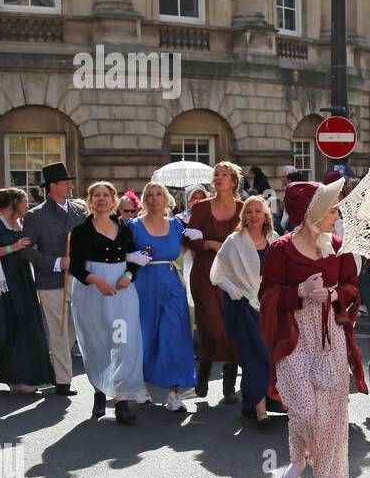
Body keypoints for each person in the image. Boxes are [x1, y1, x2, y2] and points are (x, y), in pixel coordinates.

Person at [260, 179, 367, 478]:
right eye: (331, 209)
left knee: (332, 410)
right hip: (294, 336)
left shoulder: (338, 246)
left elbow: (352, 289)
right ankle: (298, 459)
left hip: (329, 337)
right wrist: (299, 292)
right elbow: (266, 296)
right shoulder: (281, 249)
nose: (336, 215)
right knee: (304, 408)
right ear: (312, 213)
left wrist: (335, 293)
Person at [70, 182, 145, 425]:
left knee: (123, 341)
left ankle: (122, 400)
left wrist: (128, 275)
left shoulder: (123, 227)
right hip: (91, 292)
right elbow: (75, 267)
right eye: (96, 195)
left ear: (113, 200)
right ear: (90, 200)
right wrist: (96, 280)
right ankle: (99, 390)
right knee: (97, 342)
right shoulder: (81, 230)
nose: (101, 199)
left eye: (106, 195)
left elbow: (135, 258)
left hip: (122, 292)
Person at [126, 182, 198, 412]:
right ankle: (139, 385)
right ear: (144, 199)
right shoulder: (133, 225)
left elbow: (190, 247)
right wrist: (129, 255)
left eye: (159, 194)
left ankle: (173, 393)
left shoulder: (176, 224)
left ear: (166, 198)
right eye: (150, 195)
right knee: (145, 337)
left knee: (174, 336)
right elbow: (116, 250)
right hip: (143, 286)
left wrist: (197, 236)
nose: (155, 198)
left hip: (172, 285)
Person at [0, 188, 52, 394]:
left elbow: (24, 248)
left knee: (23, 327)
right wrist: (13, 248)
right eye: (25, 201)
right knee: (1, 328)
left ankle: (17, 378)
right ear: (14, 202)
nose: (28, 205)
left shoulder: (21, 224)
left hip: (22, 279)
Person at [20, 162, 87, 396]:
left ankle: (51, 362)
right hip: (50, 281)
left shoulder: (80, 211)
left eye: (70, 182)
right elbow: (27, 251)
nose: (71, 185)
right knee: (58, 332)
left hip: (79, 279)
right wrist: (57, 262)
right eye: (66, 182)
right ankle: (63, 381)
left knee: (73, 331)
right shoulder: (35, 215)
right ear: (52, 186)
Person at [212, 194, 278, 428]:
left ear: (265, 215)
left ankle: (256, 402)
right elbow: (218, 273)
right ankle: (260, 411)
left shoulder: (274, 239)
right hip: (241, 306)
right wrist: (231, 288)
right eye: (248, 211)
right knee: (254, 354)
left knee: (269, 355)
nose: (252, 215)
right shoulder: (234, 240)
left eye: (257, 211)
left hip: (268, 305)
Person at [187, 162, 243, 402]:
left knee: (232, 326)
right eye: (216, 174)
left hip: (233, 274)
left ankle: (229, 386)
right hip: (204, 274)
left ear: (233, 181)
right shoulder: (200, 208)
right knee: (211, 325)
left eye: (224, 175)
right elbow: (189, 238)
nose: (219, 178)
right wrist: (209, 244)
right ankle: (203, 375)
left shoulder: (243, 208)